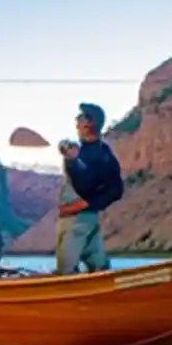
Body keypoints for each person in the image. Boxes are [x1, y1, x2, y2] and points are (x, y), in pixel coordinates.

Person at [55, 103, 124, 275]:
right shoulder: (102, 152)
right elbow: (115, 189)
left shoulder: (96, 156)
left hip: (77, 222)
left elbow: (88, 183)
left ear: (89, 124)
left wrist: (84, 204)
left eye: (80, 118)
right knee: (100, 267)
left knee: (66, 270)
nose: (77, 122)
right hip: (87, 221)